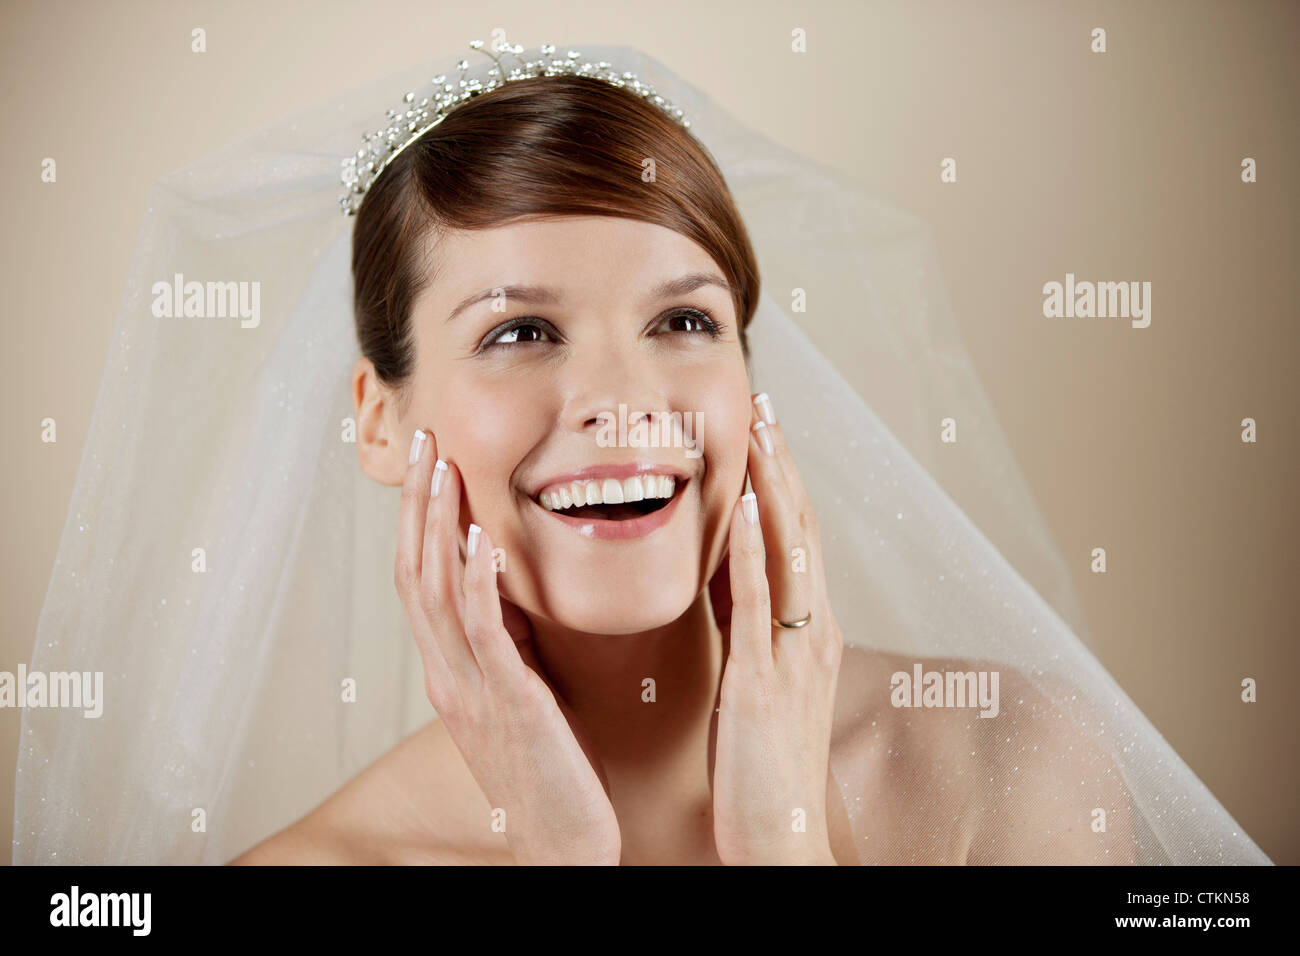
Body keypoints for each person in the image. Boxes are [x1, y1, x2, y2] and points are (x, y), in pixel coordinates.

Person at [15, 42, 1270, 866]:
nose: (622, 401)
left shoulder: (1007, 758)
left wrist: (780, 839)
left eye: (681, 320)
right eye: (519, 329)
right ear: (380, 418)